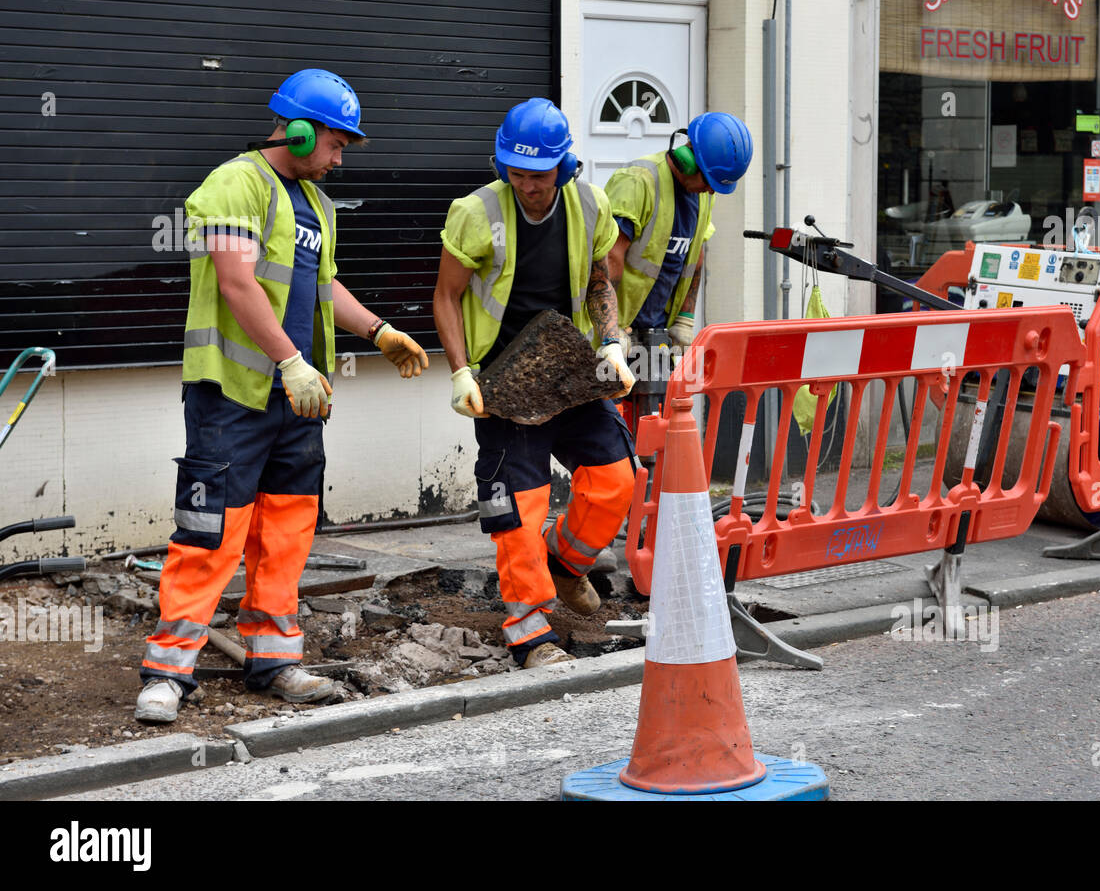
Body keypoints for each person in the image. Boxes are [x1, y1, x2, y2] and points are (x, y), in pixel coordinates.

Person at [135, 69, 430, 723]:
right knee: (210, 532)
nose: (341, 154)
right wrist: (291, 361)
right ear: (298, 129)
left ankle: (273, 658)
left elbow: (322, 287)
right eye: (336, 141)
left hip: (296, 401)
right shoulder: (236, 182)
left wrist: (379, 331)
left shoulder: (318, 207)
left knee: (287, 530)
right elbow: (238, 284)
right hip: (232, 394)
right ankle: (166, 671)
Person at [432, 97, 636, 668]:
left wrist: (613, 341)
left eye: (539, 176)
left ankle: (565, 566)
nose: (528, 186)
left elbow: (600, 281)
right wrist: (460, 371)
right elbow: (446, 295)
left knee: (616, 477)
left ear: (565, 168)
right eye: (516, 174)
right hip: (500, 378)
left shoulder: (591, 206)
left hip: (565, 365)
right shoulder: (475, 213)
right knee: (519, 503)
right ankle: (529, 631)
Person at [604, 112, 753, 358]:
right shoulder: (638, 181)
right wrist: (610, 330)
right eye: (708, 181)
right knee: (609, 396)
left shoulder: (702, 196)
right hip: (618, 334)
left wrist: (685, 318)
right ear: (687, 157)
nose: (710, 191)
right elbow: (609, 256)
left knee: (666, 398)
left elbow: (696, 257)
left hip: (658, 335)